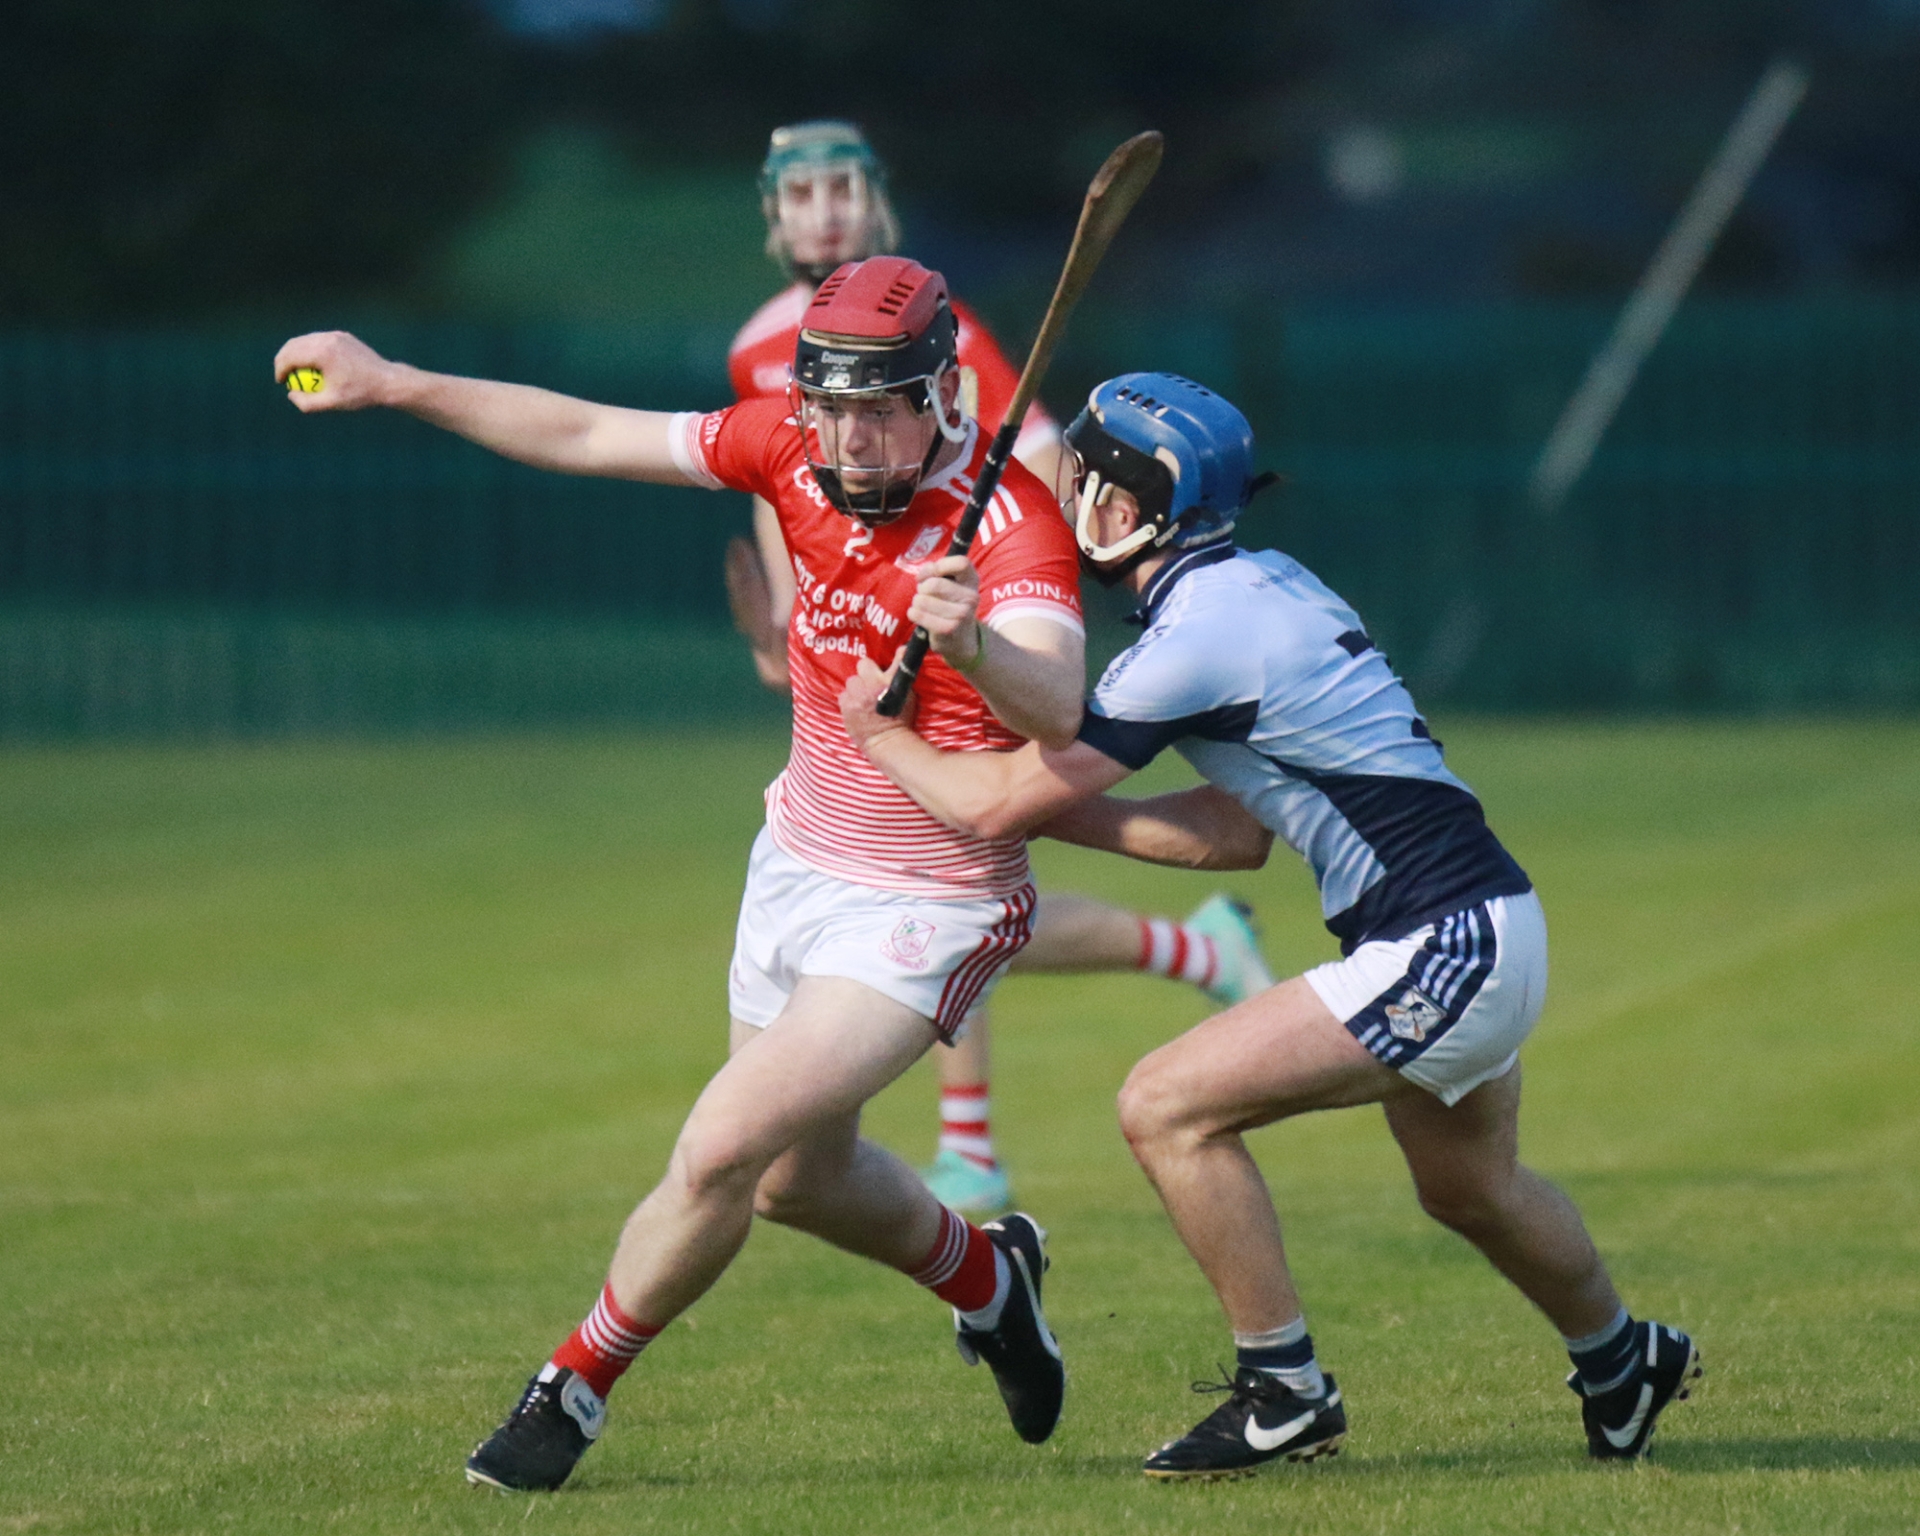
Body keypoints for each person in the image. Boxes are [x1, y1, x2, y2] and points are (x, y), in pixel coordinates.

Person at [273, 264, 1269, 1493]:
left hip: (932, 901)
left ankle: (569, 1393)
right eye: (832, 410)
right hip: (796, 858)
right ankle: (990, 1279)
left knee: (721, 1149)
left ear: (942, 395)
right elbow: (584, 433)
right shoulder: (787, 447)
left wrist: (970, 644)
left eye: (879, 412)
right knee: (799, 1180)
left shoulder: (1011, 521)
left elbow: (1057, 702)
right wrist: (393, 382)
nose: (850, 440)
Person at [839, 372, 1703, 1479]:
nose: (1067, 500)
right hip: (1489, 925)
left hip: (1445, 944)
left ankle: (1284, 1391)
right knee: (1471, 1188)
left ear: (1135, 507)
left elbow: (998, 802)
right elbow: (1230, 834)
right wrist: (1042, 803)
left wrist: (887, 735)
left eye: (1087, 481)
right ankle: (1624, 1360)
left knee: (1165, 1107)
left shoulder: (1192, 643)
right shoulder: (1262, 586)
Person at [724, 120, 1273, 1217]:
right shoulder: (757, 348)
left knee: (950, 877)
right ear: (774, 215)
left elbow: (1033, 455)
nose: (827, 212)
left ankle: (971, 1142)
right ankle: (1195, 947)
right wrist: (791, 614)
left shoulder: (935, 328)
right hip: (873, 627)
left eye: (844, 189)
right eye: (804, 194)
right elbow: (786, 480)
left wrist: (1014, 590)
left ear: (876, 203)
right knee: (957, 876)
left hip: (981, 617)